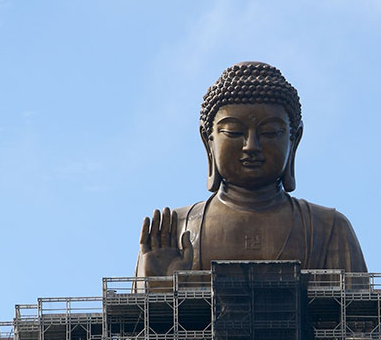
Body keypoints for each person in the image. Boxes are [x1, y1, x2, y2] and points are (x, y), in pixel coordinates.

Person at [135, 61, 367, 279]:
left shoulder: (327, 228)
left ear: (294, 140)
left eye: (270, 133)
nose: (251, 146)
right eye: (234, 132)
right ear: (208, 141)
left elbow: (358, 320)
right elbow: (134, 322)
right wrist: (158, 292)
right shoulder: (173, 231)